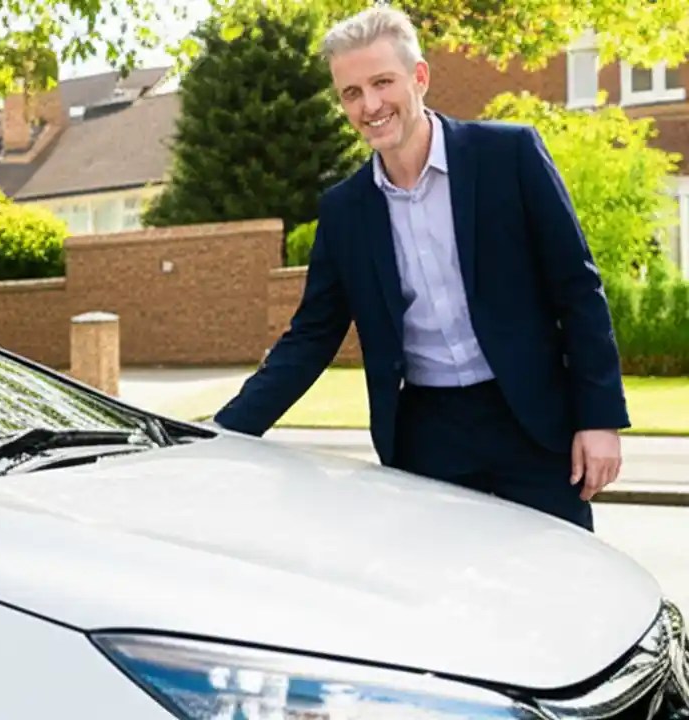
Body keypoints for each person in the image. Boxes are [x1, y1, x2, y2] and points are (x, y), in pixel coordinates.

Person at [211, 5, 628, 531]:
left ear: (420, 77)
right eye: (352, 93)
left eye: (383, 82)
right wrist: (223, 432)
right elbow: (311, 337)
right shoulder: (345, 211)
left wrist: (599, 418)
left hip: (533, 421)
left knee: (562, 591)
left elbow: (577, 288)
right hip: (427, 437)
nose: (370, 105)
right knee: (445, 601)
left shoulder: (510, 156)